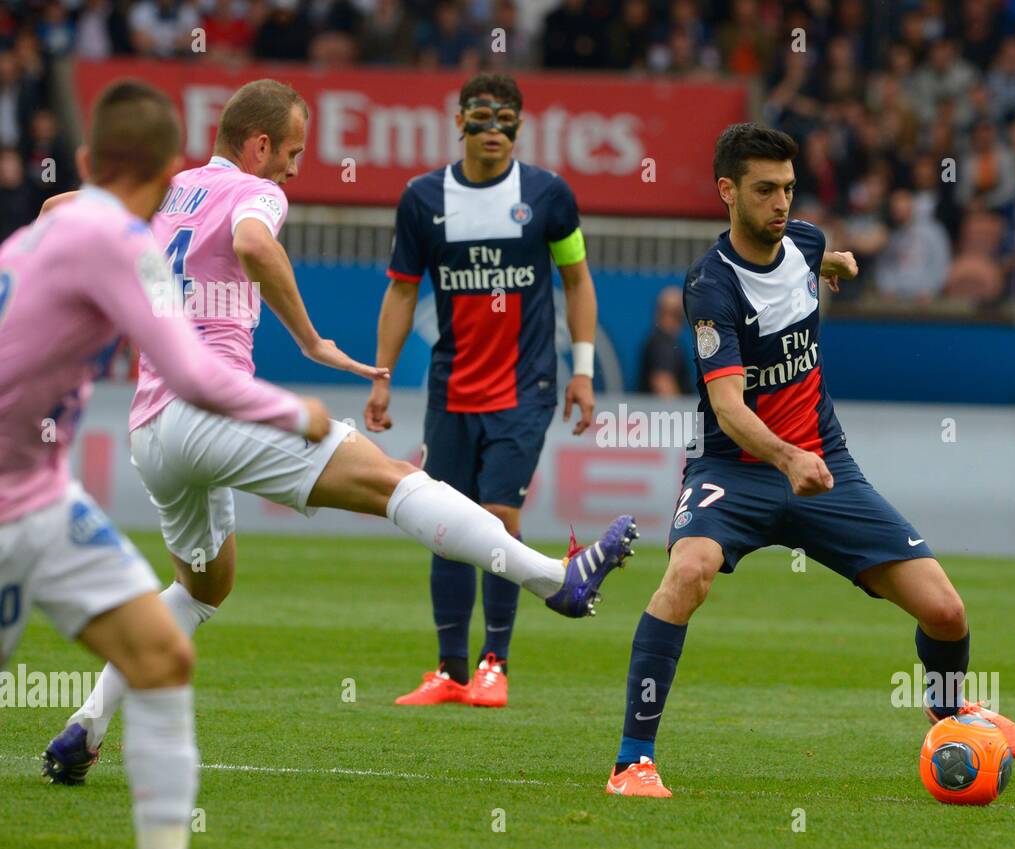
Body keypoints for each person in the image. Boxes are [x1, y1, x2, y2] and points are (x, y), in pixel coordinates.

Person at [47, 78, 636, 780]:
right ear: (259, 144)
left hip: (153, 430)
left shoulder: (172, 188)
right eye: (292, 151)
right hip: (210, 405)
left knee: (204, 588)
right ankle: (556, 579)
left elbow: (59, 207)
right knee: (396, 479)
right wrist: (310, 340)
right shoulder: (253, 193)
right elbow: (255, 246)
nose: (295, 168)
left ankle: (84, 727)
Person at [602, 124, 1015, 798]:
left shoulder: (800, 241)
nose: (781, 203)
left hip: (825, 468)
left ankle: (950, 717)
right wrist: (785, 457)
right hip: (736, 470)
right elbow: (727, 405)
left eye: (789, 189)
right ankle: (633, 761)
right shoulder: (710, 287)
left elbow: (817, 254)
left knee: (946, 612)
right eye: (766, 190)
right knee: (689, 572)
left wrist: (837, 262)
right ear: (727, 192)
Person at [2, 79, 330, 849]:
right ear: (164, 174)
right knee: (170, 643)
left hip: (41, 500)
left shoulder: (36, 238)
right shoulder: (119, 243)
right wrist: (299, 413)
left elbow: (58, 212)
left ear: (85, 160)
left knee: (163, 650)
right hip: (18, 503)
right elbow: (192, 371)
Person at [365, 73, 608, 708]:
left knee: (498, 516)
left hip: (526, 388)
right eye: (482, 117)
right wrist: (383, 375)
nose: (493, 130)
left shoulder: (548, 195)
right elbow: (401, 289)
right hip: (451, 389)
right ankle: (449, 670)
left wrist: (581, 370)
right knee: (444, 523)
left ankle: (493, 664)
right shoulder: (422, 199)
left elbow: (577, 281)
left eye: (506, 119)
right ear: (459, 121)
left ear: (520, 128)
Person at [638, 286, 692, 396]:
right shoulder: (663, 344)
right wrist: (682, 412)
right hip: (666, 412)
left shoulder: (657, 340)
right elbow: (662, 383)